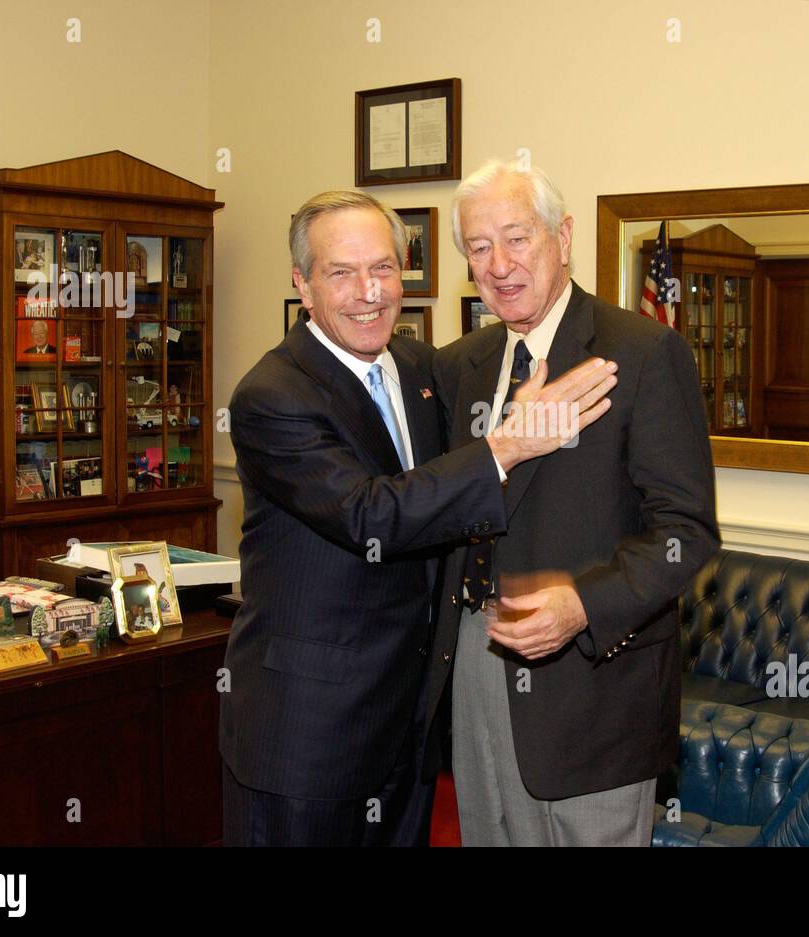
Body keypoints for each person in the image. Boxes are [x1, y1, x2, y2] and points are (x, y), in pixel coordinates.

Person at [220, 189, 618, 847]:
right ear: (303, 284)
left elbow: (454, 505)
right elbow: (371, 515)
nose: (368, 292)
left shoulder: (420, 369)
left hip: (409, 729)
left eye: (382, 268)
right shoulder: (271, 395)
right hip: (306, 738)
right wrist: (508, 442)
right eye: (341, 273)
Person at [426, 160, 720, 846]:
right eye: (478, 246)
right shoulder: (458, 365)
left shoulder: (645, 352)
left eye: (516, 237)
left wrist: (583, 604)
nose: (498, 264)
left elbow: (687, 531)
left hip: (592, 680)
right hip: (474, 662)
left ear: (562, 237)